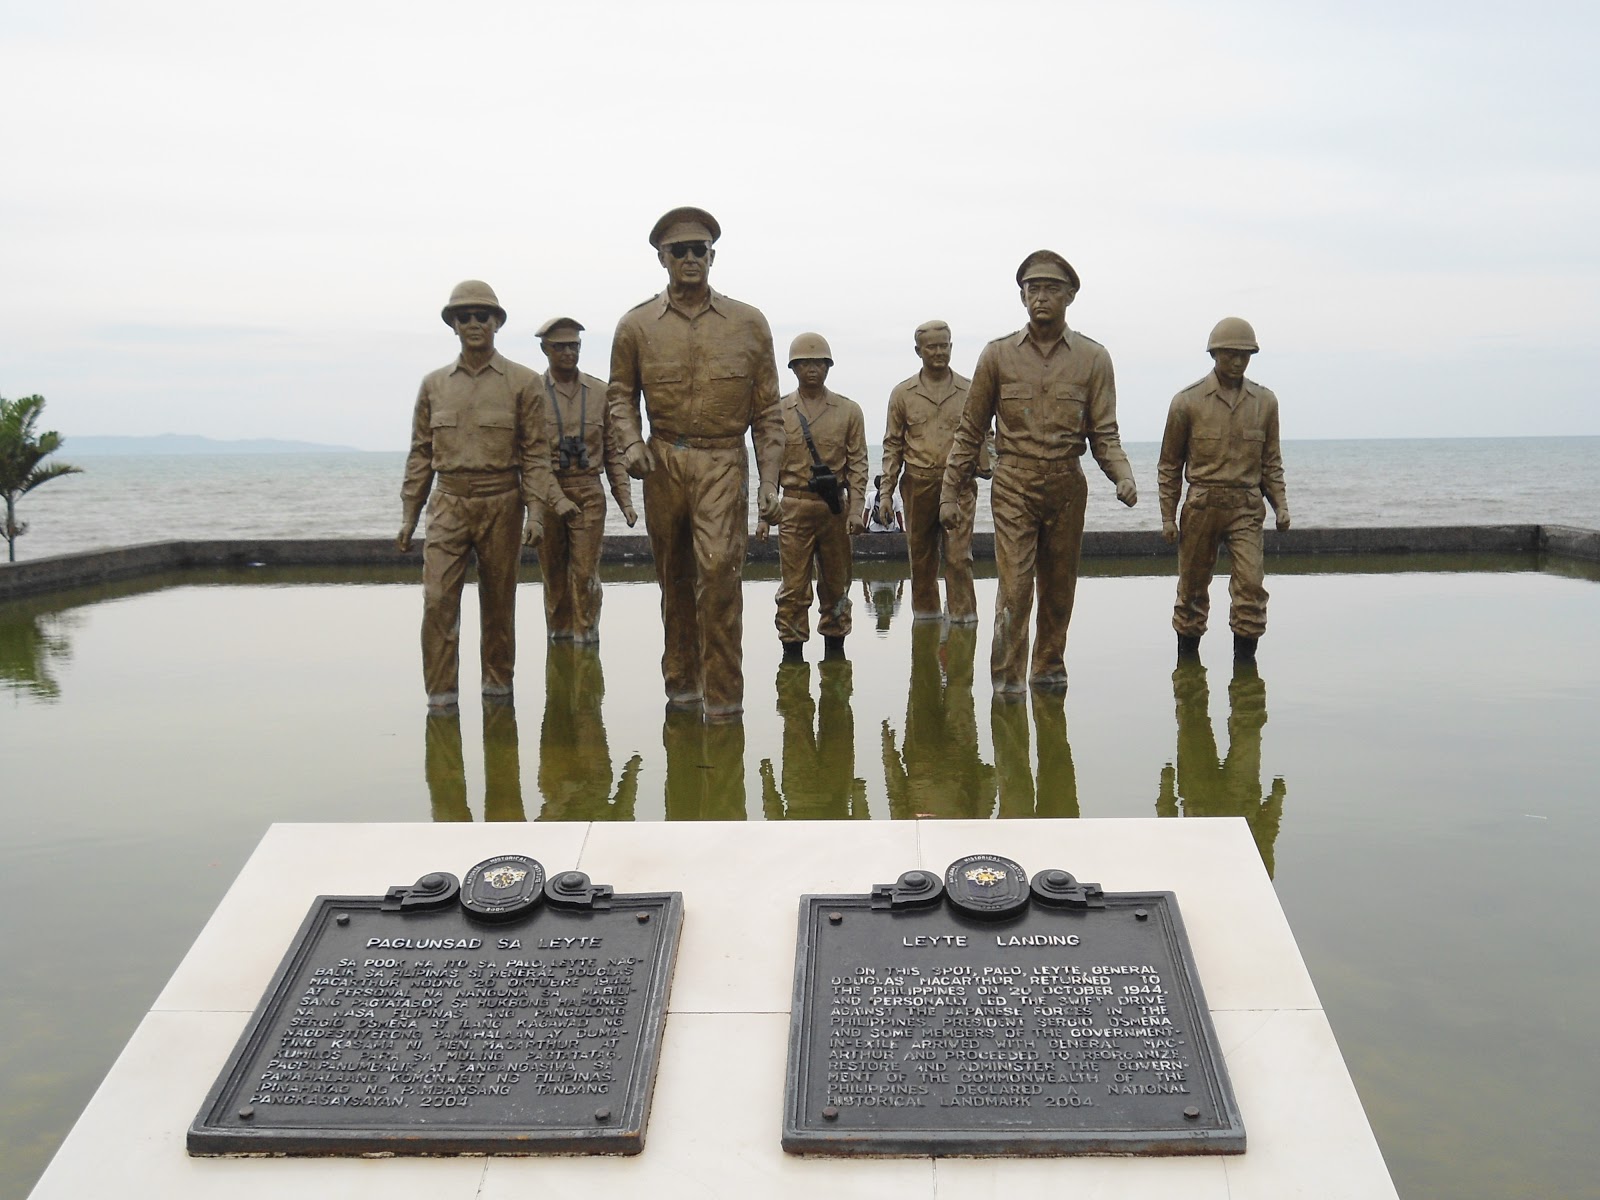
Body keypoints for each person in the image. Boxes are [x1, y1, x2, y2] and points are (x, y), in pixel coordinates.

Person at [607, 207, 784, 721]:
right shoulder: (635, 326)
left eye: (698, 250)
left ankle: (725, 702)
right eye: (678, 251)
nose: (690, 258)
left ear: (713, 255)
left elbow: (769, 411)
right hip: (663, 461)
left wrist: (769, 480)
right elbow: (620, 396)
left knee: (719, 578)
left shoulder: (749, 324)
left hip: (723, 459)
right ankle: (682, 692)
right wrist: (631, 443)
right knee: (674, 580)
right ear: (662, 259)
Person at [941, 251, 1137, 695]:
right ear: (1022, 296)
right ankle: (1006, 685)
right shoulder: (997, 356)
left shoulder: (1093, 359)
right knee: (1015, 589)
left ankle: (1048, 673)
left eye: (1051, 289)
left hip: (1068, 484)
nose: (1041, 298)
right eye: (1033, 289)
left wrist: (1121, 475)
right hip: (1014, 484)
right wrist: (949, 494)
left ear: (1070, 296)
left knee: (1059, 591)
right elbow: (970, 430)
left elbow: (1104, 433)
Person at [398, 280, 576, 709]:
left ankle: (498, 694)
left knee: (499, 604)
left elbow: (536, 454)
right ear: (453, 325)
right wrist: (408, 515)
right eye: (465, 317)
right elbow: (421, 453)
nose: (474, 324)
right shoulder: (434, 385)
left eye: (482, 316)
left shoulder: (524, 382)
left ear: (496, 322)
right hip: (448, 502)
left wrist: (536, 513)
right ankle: (440, 698)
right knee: (438, 600)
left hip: (502, 502)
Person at [1158, 317, 1291, 661]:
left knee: (1250, 588)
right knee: (1191, 592)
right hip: (1202, 505)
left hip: (1246, 507)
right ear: (1215, 354)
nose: (1237, 361)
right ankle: (1187, 669)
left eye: (1245, 355)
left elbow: (1271, 462)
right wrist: (1168, 518)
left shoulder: (1265, 403)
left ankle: (1245, 672)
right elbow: (1170, 465)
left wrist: (1281, 505)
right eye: (1230, 354)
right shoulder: (1186, 402)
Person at [531, 316, 637, 643]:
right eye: (560, 346)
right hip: (548, 491)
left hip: (588, 489)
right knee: (553, 575)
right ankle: (559, 638)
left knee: (585, 573)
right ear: (545, 349)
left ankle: (587, 638)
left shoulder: (600, 393)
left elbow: (613, 452)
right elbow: (528, 457)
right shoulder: (530, 394)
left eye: (574, 346)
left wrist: (626, 502)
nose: (568, 353)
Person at [765, 332, 868, 662]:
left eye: (819, 363)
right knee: (793, 588)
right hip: (793, 506)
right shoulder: (778, 411)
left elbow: (858, 464)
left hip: (833, 508)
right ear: (793, 368)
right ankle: (791, 651)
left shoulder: (849, 411)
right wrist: (764, 511)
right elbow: (769, 464)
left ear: (829, 366)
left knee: (837, 584)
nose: (813, 369)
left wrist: (856, 510)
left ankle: (835, 651)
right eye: (805, 363)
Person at [880, 320, 988, 622]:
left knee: (959, 558)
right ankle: (925, 622)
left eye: (944, 345)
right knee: (922, 561)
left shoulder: (971, 390)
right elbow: (892, 446)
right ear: (919, 351)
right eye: (932, 347)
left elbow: (985, 435)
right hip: (918, 485)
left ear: (951, 347)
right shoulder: (902, 393)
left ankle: (964, 621)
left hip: (959, 486)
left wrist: (988, 462)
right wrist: (886, 493)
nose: (939, 352)